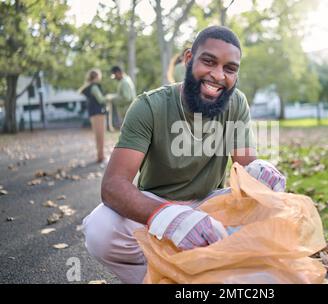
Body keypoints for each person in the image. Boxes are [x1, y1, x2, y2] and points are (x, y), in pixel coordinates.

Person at [82, 26, 286, 284]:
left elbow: (245, 168)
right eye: (209, 61)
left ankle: (202, 276)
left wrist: (260, 172)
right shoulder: (149, 106)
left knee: (273, 209)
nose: (217, 75)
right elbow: (113, 186)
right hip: (155, 207)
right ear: (189, 59)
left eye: (230, 68)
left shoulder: (236, 103)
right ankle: (158, 278)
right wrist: (168, 216)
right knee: (100, 228)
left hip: (210, 208)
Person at [79, 69, 107, 163]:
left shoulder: (88, 86)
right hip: (98, 113)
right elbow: (101, 100)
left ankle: (100, 155)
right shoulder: (94, 87)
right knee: (101, 135)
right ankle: (101, 157)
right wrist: (109, 97)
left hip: (92, 113)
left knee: (97, 135)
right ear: (97, 76)